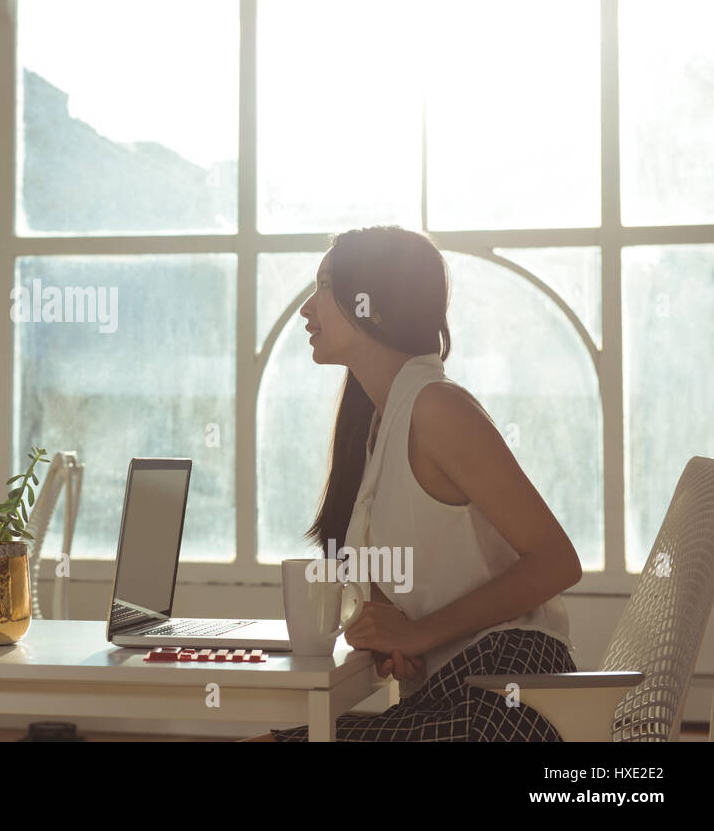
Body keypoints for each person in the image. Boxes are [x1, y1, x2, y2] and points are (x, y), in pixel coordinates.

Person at [242, 226, 580, 741]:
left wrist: (418, 633)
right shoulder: (381, 424)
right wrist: (392, 632)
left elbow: (557, 560)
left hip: (510, 702)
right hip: (456, 691)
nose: (307, 309)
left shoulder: (437, 408)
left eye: (326, 287)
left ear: (372, 304)